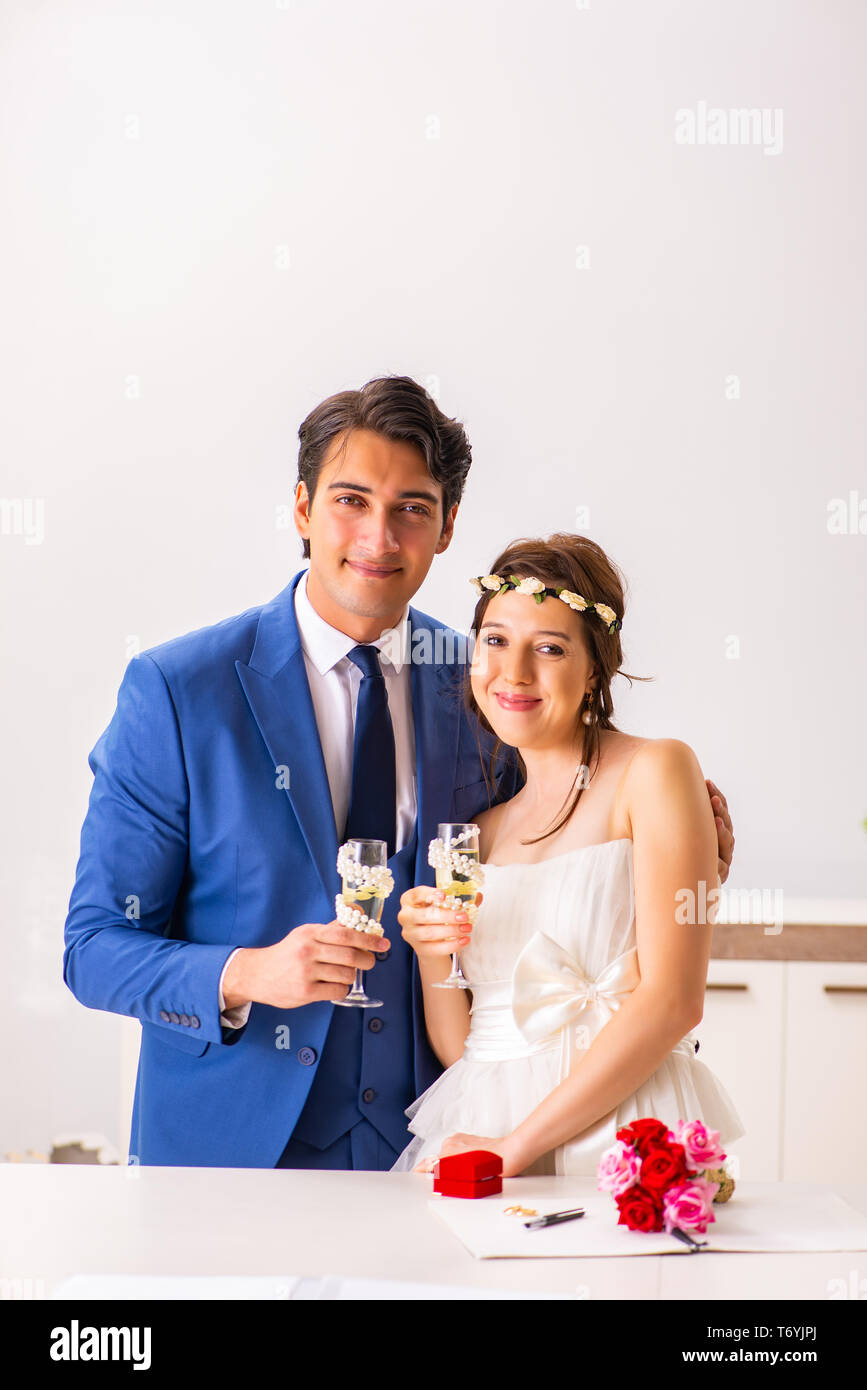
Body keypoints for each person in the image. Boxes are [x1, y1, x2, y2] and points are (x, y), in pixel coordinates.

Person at [63, 376, 736, 1170]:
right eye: (350, 500)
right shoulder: (179, 691)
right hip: (231, 1152)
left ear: (447, 527)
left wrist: (681, 855)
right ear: (302, 508)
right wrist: (246, 973)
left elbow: (559, 847)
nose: (379, 537)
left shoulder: (488, 686)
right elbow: (94, 948)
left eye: (412, 508)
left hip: (435, 1141)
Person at [392, 533, 747, 1177]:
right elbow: (465, 1047)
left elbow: (674, 999)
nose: (515, 672)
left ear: (594, 671)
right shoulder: (484, 830)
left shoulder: (656, 771)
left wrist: (515, 1150)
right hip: (486, 1122)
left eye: (549, 648)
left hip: (619, 1126)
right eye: (495, 641)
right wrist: (429, 948)